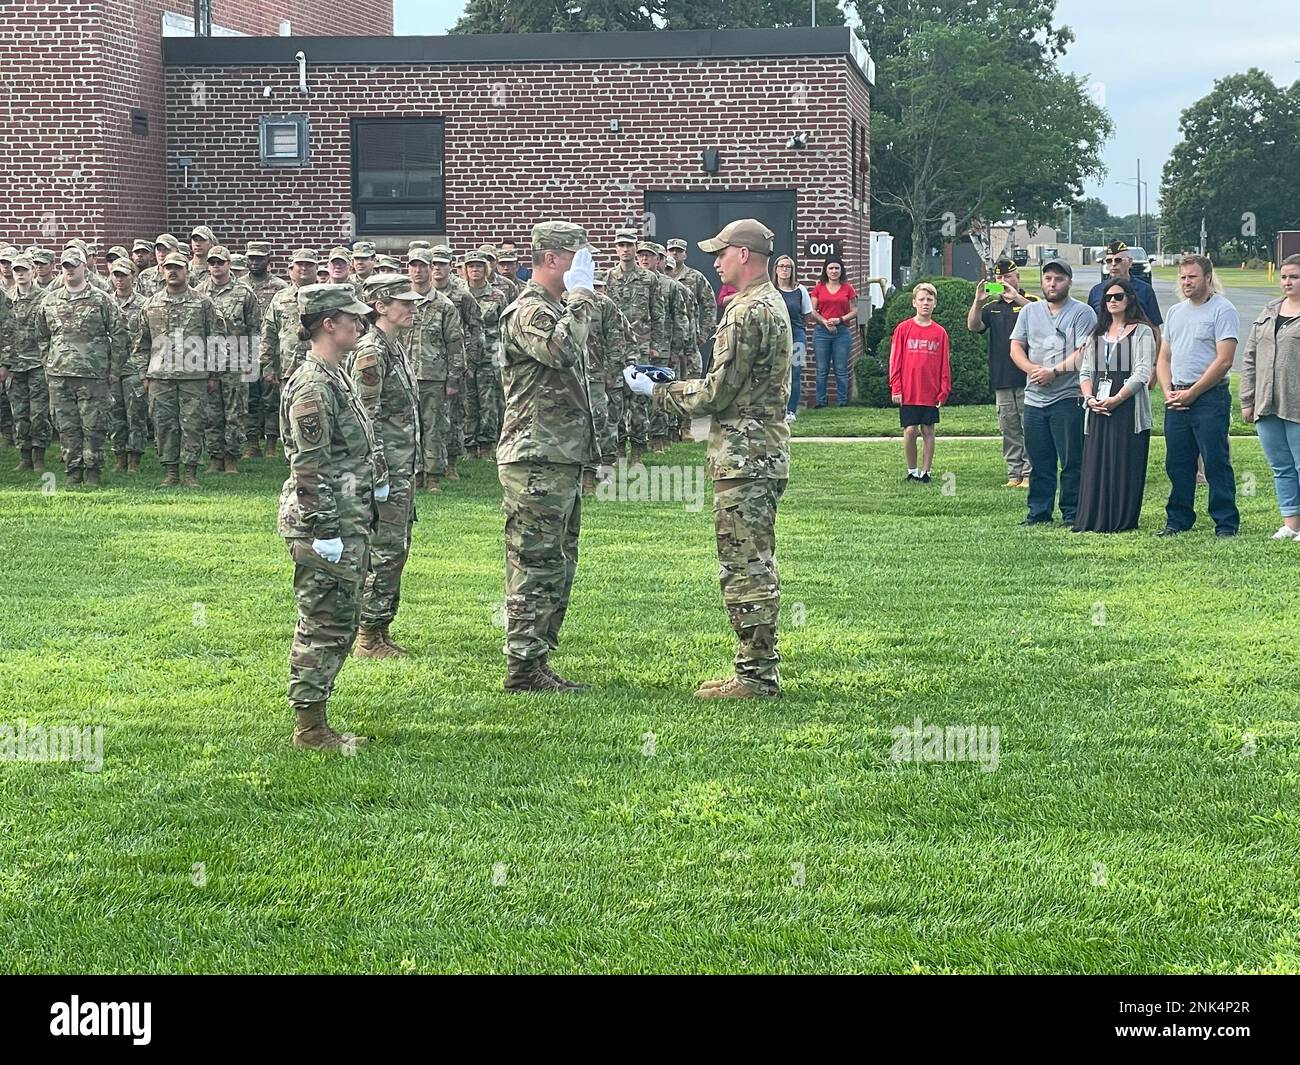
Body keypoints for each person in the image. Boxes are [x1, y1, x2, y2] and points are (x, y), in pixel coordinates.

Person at [627, 218, 791, 700]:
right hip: (759, 450)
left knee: (746, 566)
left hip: (745, 456)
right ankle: (752, 668)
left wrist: (656, 391)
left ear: (744, 254)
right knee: (752, 560)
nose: (714, 261)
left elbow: (717, 393)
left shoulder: (746, 311)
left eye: (720, 252)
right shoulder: (766, 303)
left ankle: (756, 677)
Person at [279, 283, 387, 751]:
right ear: (329, 323)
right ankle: (310, 729)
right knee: (324, 622)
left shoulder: (335, 376)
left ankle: (316, 720)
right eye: (352, 318)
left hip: (348, 516)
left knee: (339, 620)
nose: (360, 325)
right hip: (326, 522)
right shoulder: (313, 386)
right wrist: (324, 529)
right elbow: (309, 466)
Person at [497, 221, 600, 694]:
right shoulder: (529, 310)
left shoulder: (558, 308)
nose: (585, 265)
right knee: (533, 562)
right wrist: (580, 296)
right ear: (553, 259)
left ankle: (537, 660)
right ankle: (521, 668)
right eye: (578, 257)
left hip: (559, 455)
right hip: (534, 455)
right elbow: (559, 351)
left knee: (557, 562)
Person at [348, 274, 423, 658]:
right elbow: (366, 418)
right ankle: (367, 636)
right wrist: (378, 473)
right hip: (385, 471)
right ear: (380, 306)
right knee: (384, 550)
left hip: (400, 467)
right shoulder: (371, 353)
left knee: (397, 548)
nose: (413, 307)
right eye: (404, 302)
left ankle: (379, 628)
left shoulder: (394, 347)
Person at [1156, 255, 1240, 537]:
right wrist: (1168, 389)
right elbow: (1164, 357)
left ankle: (1225, 522)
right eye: (1182, 277)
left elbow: (1225, 360)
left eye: (1192, 277)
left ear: (1207, 278)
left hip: (1209, 397)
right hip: (1177, 396)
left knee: (1215, 461)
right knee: (1177, 463)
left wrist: (1193, 392)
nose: (1187, 282)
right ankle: (1178, 520)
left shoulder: (1222, 309)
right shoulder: (1175, 312)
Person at [1009, 258, 1096, 525]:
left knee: (1071, 461)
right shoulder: (1029, 312)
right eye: (1048, 278)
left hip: (1068, 397)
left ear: (1069, 281)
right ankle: (1038, 513)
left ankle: (1072, 513)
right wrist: (1032, 369)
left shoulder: (1083, 313)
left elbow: (1085, 353)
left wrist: (1054, 372)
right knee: (1039, 461)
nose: (1052, 283)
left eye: (1059, 278)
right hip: (1034, 399)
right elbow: (1015, 347)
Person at [34, 246, 128, 485]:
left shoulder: (101, 299)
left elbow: (119, 335)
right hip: (60, 374)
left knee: (94, 425)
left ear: (84, 266)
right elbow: (42, 336)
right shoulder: (50, 300)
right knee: (66, 426)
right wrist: (48, 363)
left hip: (93, 375)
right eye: (66, 266)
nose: (70, 271)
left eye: (74, 265)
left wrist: (115, 369)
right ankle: (73, 470)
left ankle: (93, 471)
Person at [1072, 278, 1156, 532]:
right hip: (1097, 408)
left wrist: (1117, 399)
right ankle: (1094, 518)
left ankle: (1121, 519)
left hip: (1127, 409)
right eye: (1108, 298)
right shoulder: (1097, 334)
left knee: (1123, 463)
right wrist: (1089, 399)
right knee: (1096, 464)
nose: (1112, 302)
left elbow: (1142, 373)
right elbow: (1085, 372)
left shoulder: (1142, 331)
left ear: (1129, 299)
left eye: (1118, 297)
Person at [136, 252, 222, 487]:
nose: (172, 272)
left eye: (178, 268)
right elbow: (142, 344)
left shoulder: (203, 303)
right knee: (164, 425)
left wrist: (214, 373)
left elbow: (215, 339)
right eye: (168, 267)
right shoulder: (151, 304)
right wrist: (144, 374)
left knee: (192, 425)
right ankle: (171, 471)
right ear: (162, 271)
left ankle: (191, 472)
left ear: (187, 271)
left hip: (193, 376)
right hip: (160, 376)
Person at [1240, 255, 1300, 539]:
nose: (1287, 282)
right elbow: (1250, 356)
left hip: (1296, 403)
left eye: (1294, 277)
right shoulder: (1269, 310)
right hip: (1267, 403)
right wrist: (1248, 399)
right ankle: (1291, 524)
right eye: (1284, 276)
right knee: (1281, 466)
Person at [967, 257, 1036, 486]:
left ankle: (1029, 472)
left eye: (1007, 277)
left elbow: (1042, 315)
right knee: (1009, 427)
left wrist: (1015, 296)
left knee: (1030, 426)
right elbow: (973, 326)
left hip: (1029, 376)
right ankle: (1014, 472)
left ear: (1018, 277)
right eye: (998, 278)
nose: (1003, 281)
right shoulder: (992, 308)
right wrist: (978, 302)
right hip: (1002, 377)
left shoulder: (1030, 301)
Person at [605, 227, 667, 464]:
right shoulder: (608, 278)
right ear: (616, 249)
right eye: (621, 245)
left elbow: (658, 314)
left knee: (639, 398)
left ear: (635, 248)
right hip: (615, 348)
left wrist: (656, 346)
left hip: (641, 347)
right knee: (616, 399)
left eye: (629, 245)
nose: (625, 250)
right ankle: (619, 447)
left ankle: (639, 449)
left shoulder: (649, 278)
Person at [406, 247, 466, 490]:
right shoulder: (401, 301)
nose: (418, 271)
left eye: (423, 266)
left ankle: (433, 476)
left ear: (432, 269)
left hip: (435, 376)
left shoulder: (444, 305)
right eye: (414, 266)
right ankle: (414, 474)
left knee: (434, 428)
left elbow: (455, 343)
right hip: (406, 376)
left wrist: (453, 379)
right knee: (409, 428)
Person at [198, 246, 259, 474]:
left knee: (235, 411)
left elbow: (254, 329)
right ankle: (215, 457)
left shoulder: (244, 293)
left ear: (228, 264)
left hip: (236, 359)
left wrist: (251, 362)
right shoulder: (199, 292)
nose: (216, 266)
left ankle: (232, 457)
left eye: (220, 262)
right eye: (212, 262)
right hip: (206, 360)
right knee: (212, 412)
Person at [889, 282, 951, 483]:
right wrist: (896, 386)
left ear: (935, 304)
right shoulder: (903, 329)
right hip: (909, 390)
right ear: (914, 302)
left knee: (928, 430)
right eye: (922, 299)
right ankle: (912, 470)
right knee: (910, 430)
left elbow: (944, 364)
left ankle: (926, 472)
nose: (925, 303)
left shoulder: (940, 332)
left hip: (930, 390)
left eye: (929, 300)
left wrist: (943, 390)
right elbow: (895, 360)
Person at [1, 254, 52, 472]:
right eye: (16, 270)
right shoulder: (6, 298)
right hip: (14, 364)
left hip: (37, 363)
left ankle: (39, 456)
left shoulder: (45, 297)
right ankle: (25, 456)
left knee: (39, 413)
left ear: (33, 271)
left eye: (24, 270)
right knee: (19, 413)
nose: (20, 274)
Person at [107, 257, 148, 472]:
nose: (120, 279)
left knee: (136, 415)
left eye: (124, 274)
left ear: (133, 275)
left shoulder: (144, 304)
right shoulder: (106, 302)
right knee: (116, 415)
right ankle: (119, 457)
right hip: (112, 368)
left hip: (134, 366)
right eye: (116, 275)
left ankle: (134, 459)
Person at [1087, 240, 1162, 351]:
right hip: (1105, 351)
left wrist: (1156, 362)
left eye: (1118, 260)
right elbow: (1092, 328)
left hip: (1137, 350)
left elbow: (1155, 328)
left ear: (1130, 262)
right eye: (1109, 261)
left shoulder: (1145, 290)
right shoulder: (1096, 291)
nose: (1113, 264)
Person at [809, 257, 857, 406]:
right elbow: (812, 310)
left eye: (837, 268)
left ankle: (842, 402)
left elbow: (855, 310)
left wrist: (840, 320)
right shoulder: (819, 288)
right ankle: (821, 402)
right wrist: (825, 321)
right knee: (822, 369)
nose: (834, 271)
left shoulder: (848, 288)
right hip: (821, 332)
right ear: (826, 270)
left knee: (841, 369)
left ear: (841, 270)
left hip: (841, 332)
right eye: (831, 268)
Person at [773, 254, 811, 421]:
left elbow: (807, 315)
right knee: (775, 373)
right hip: (776, 338)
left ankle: (791, 410)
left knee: (794, 372)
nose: (784, 269)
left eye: (787, 266)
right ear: (775, 269)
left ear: (792, 270)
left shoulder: (800, 290)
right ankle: (776, 408)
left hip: (797, 337)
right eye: (781, 266)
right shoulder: (770, 290)